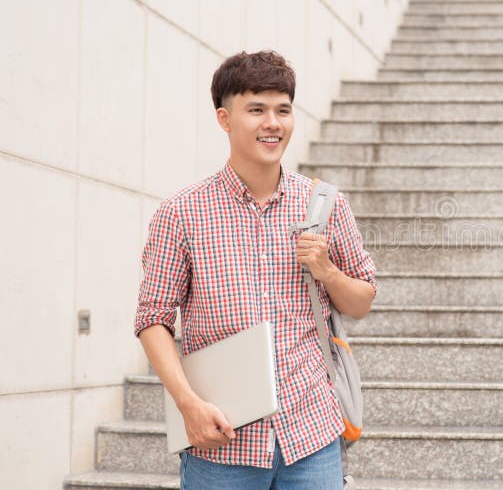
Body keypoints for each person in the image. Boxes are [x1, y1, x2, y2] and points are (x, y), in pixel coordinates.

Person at [134, 50, 377, 489]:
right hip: (222, 442)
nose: (273, 123)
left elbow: (362, 300)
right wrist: (187, 404)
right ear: (225, 120)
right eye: (257, 110)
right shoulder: (182, 213)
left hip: (313, 436)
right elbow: (152, 320)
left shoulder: (325, 205)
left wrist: (328, 273)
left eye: (283, 110)